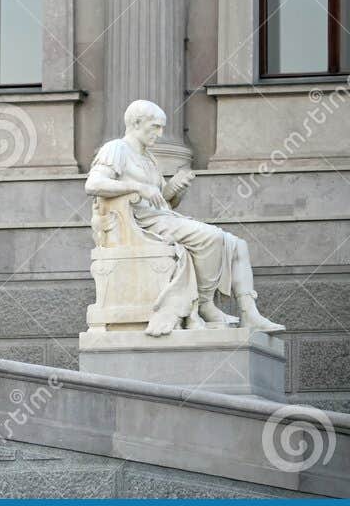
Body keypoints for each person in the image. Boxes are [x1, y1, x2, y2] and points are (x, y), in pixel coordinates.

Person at [85, 99, 281, 334]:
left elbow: (163, 200)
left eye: (161, 128)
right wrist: (138, 187)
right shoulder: (116, 148)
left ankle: (250, 314)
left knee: (239, 245)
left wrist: (176, 189)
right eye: (155, 126)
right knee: (214, 237)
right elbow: (93, 184)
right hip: (141, 226)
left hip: (163, 218)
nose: (160, 133)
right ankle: (205, 304)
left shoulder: (148, 157)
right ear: (136, 123)